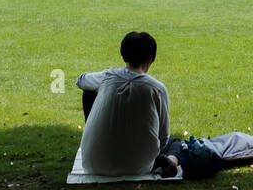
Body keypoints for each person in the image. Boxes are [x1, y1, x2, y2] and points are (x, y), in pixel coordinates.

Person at [76, 32, 177, 178]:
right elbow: (163, 138)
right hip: (138, 167)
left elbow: (81, 80)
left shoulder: (107, 77)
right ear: (151, 59)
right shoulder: (157, 88)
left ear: (123, 56)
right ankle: (170, 162)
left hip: (93, 165)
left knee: (89, 91)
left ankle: (101, 141)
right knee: (175, 144)